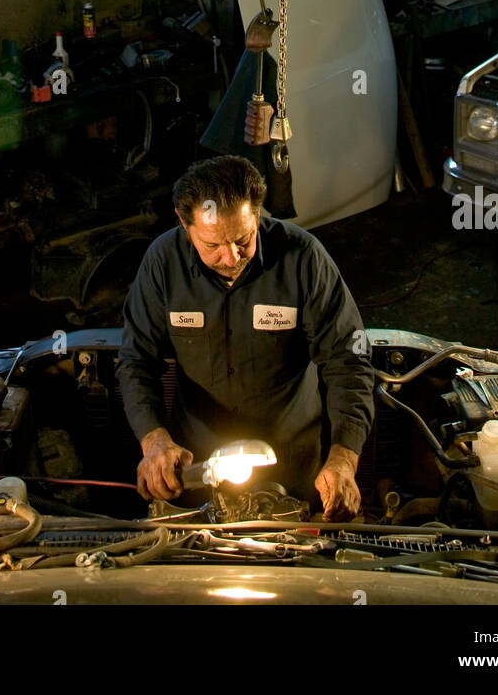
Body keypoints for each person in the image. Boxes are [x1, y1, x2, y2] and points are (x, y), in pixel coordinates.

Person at [116, 155, 375, 518]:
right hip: (195, 470)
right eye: (212, 245)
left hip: (295, 466)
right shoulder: (163, 263)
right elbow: (137, 361)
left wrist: (344, 459)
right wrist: (155, 440)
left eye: (243, 239)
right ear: (183, 222)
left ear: (258, 215)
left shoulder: (303, 258)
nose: (231, 256)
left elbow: (348, 361)